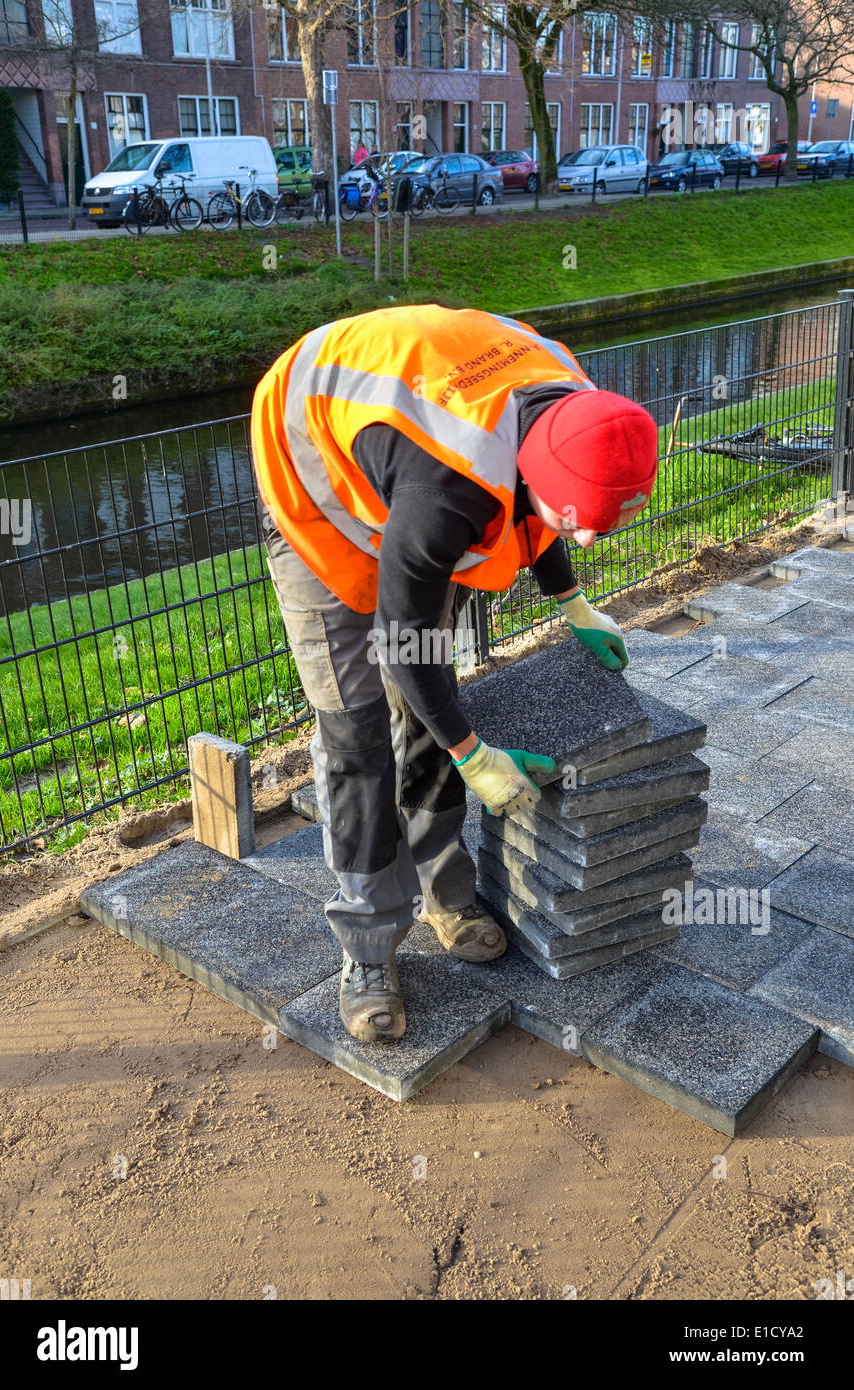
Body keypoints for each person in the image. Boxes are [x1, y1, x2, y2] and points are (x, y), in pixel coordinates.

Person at [252, 305, 658, 1044]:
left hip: (412, 453)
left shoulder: (582, 410)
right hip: (315, 474)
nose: (591, 537)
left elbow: (540, 508)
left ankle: (446, 895)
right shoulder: (449, 490)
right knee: (357, 732)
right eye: (583, 525)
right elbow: (404, 642)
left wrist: (574, 604)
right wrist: (475, 756)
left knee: (426, 716)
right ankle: (369, 950)